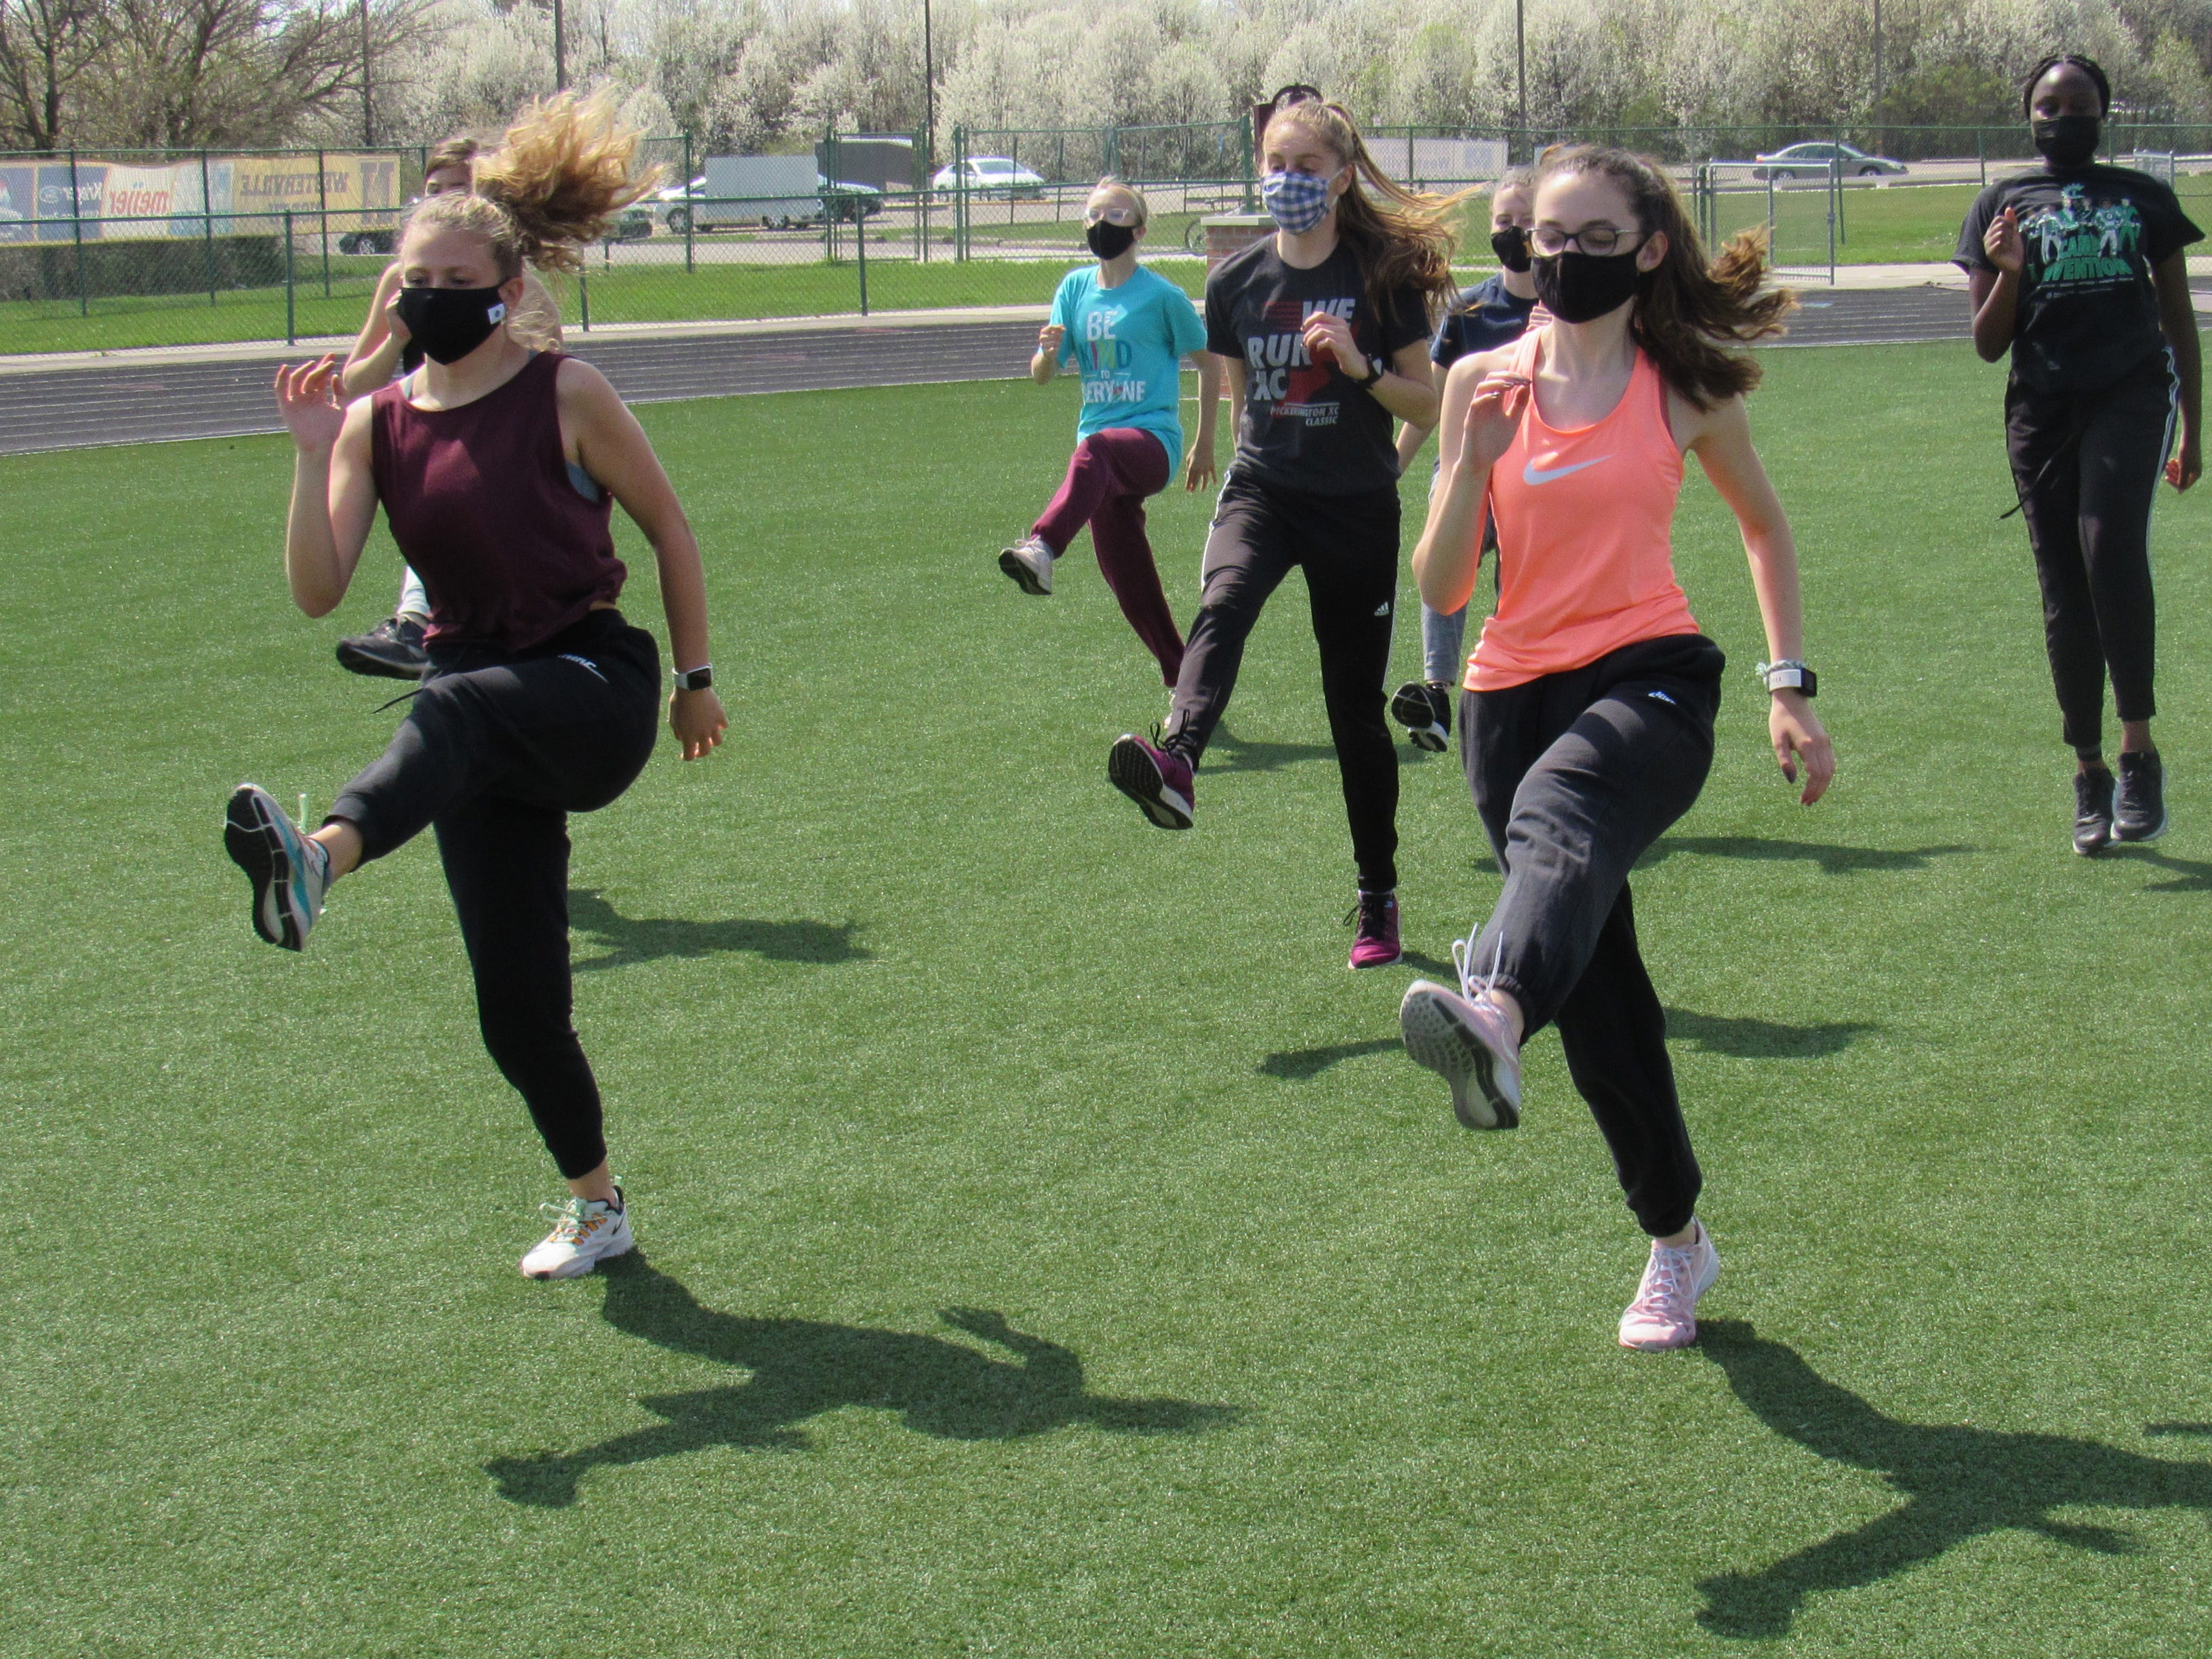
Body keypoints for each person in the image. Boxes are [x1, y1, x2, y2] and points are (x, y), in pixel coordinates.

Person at [226, 92, 727, 1280]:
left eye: (455, 278)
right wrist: (309, 456)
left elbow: (667, 526)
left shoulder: (565, 390)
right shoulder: (376, 425)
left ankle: (316, 861)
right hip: (479, 726)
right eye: (412, 280)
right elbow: (316, 589)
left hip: (590, 688)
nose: (428, 297)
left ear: (504, 291)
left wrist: (696, 679)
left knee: (442, 702)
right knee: (516, 1008)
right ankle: (598, 1207)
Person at [1396, 146, 1835, 1352]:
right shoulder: (1479, 380)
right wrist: (1469, 468)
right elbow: (1439, 583)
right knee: (1604, 1013)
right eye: (1546, 235)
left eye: (1591, 238)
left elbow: (1761, 526)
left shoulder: (1682, 383)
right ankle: (1675, 1239)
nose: (1560, 259)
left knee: (1564, 808)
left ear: (1648, 248)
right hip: (1504, 698)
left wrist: (1787, 686)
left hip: (1649, 682)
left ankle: (1488, 997)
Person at [1106, 89, 1453, 970]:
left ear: (1339, 177)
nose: (1286, 181)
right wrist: (1208, 445)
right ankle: (1177, 758)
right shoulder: (1233, 280)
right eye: (1273, 165)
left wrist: (1359, 364)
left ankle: (1378, 894)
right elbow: (1229, 376)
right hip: (1263, 488)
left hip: (1353, 507)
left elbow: (1432, 400)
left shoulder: (1382, 271)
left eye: (1303, 168)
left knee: (1352, 717)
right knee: (1221, 599)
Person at [1956, 53, 2201, 855]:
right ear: (2025, 115)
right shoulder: (1999, 204)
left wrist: (2193, 422)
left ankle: (2137, 751)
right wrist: (2006, 272)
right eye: (2046, 104)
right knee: (2062, 587)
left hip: (2128, 395)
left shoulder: (2142, 198)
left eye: (2078, 103)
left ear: (2103, 113)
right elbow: (1988, 345)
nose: (2061, 115)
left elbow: (2175, 319)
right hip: (2040, 411)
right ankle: (2087, 771)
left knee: (2108, 544)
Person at [334, 136, 565, 681]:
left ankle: (423, 626)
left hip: (495, 441)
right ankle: (419, 627)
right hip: (425, 428)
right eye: (432, 190)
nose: (441, 201)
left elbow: (550, 366)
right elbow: (352, 387)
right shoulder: (401, 281)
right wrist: (396, 338)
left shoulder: (512, 287)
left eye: (457, 189)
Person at [999, 178, 1222, 689]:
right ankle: (1184, 678)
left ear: (1140, 228)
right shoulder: (1074, 289)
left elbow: (1209, 366)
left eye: (1116, 215)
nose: (1102, 224)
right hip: (1096, 465)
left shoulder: (1162, 296)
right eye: (1094, 214)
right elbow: (1042, 374)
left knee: (1094, 450)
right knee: (1129, 578)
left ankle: (1043, 546)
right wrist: (1046, 351)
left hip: (1149, 444)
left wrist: (1204, 442)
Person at [1390, 165, 1541, 752]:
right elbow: (1427, 405)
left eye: (1527, 223)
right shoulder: (1468, 311)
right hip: (1465, 469)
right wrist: (1394, 466)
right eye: (1505, 221)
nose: (1515, 233)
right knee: (1440, 560)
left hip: (1537, 475)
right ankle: (1434, 691)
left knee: (1522, 587)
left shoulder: (1567, 316)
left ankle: (1517, 685)